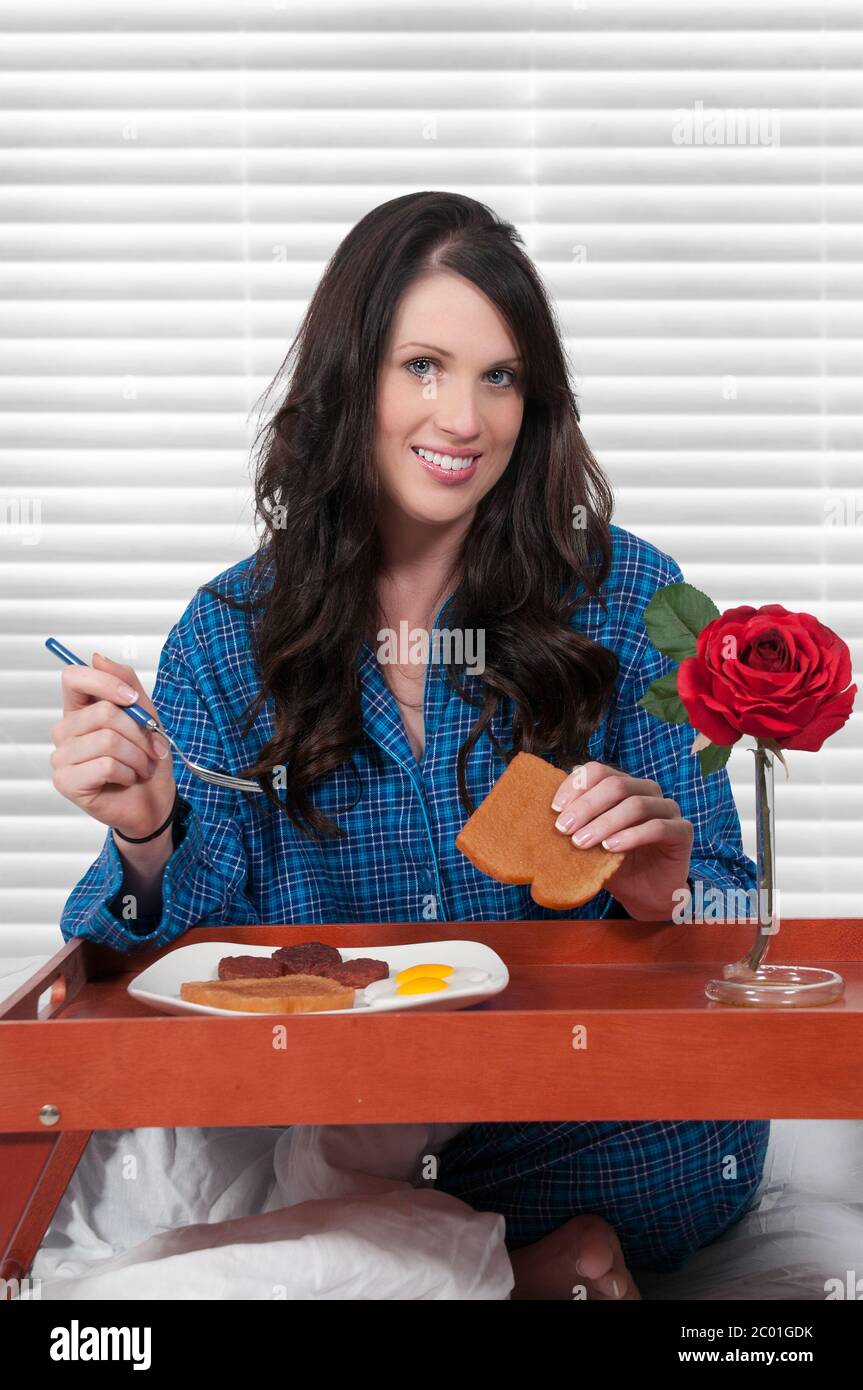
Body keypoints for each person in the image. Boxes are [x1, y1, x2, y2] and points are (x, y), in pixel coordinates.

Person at [50, 190, 769, 1300]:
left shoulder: (636, 599)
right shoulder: (227, 637)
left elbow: (738, 932)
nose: (464, 419)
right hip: (334, 1127)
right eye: (422, 366)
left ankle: (461, 1258)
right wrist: (148, 833)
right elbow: (162, 965)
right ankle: (527, 1277)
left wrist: (664, 890)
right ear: (352, 380)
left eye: (500, 376)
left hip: (593, 1132)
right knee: (205, 1190)